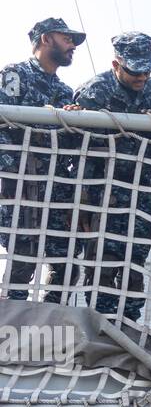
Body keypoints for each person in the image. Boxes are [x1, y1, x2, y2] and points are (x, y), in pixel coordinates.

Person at [73, 32, 151, 321]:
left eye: (147, 70)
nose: (142, 76)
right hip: (101, 190)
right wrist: (83, 201)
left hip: (138, 188)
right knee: (101, 262)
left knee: (136, 260)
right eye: (134, 70)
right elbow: (78, 152)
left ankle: (129, 326)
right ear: (116, 65)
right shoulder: (95, 92)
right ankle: (100, 327)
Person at [0, 17, 86, 300]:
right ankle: (10, 330)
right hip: (22, 184)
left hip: (57, 187)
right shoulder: (15, 75)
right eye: (66, 38)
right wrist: (15, 170)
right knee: (23, 260)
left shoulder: (63, 92)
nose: (72, 45)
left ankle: (48, 319)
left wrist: (72, 121)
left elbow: (69, 144)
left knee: (67, 264)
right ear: (46, 39)